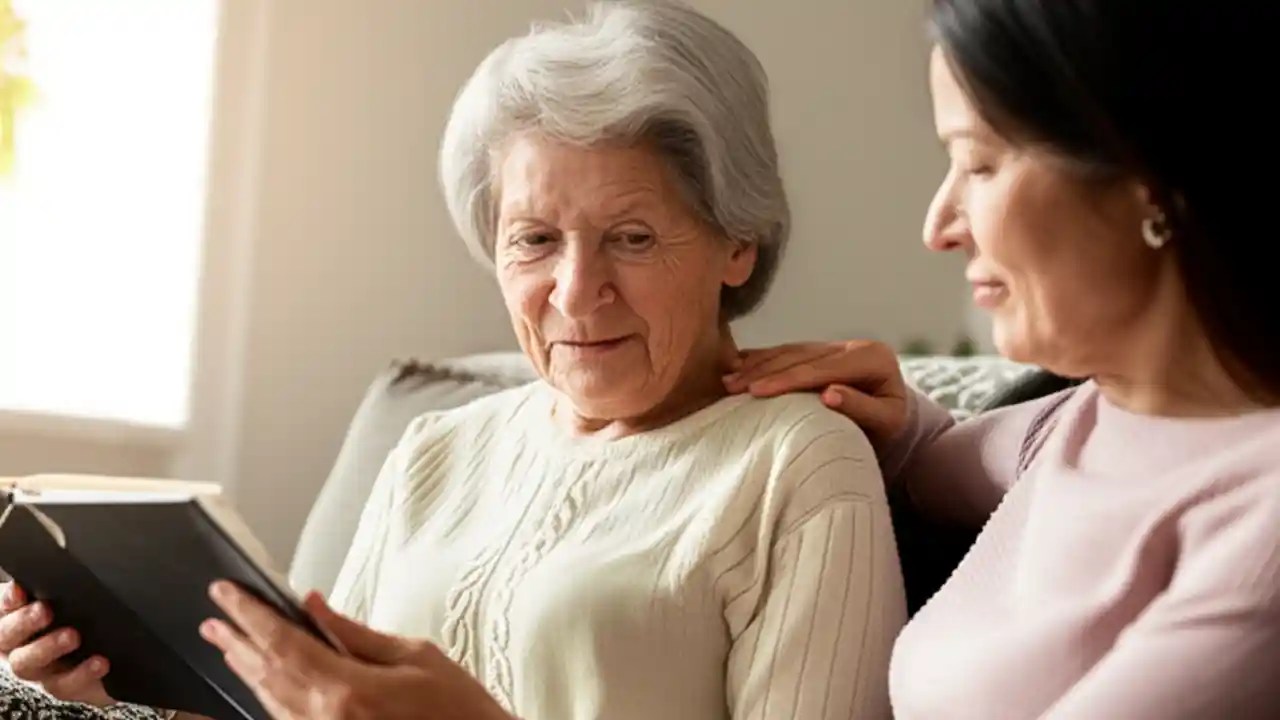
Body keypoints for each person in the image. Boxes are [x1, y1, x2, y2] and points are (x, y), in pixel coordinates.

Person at [0, 2, 906, 719]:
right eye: (535, 239)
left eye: (631, 237)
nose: (575, 292)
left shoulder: (799, 465)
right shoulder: (435, 449)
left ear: (738, 241)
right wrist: (132, 681)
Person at [724, 1, 1280, 718]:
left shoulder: (1259, 524)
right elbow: (925, 460)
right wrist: (885, 416)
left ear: (1147, 179)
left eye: (979, 165)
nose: (938, 227)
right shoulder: (1076, 418)